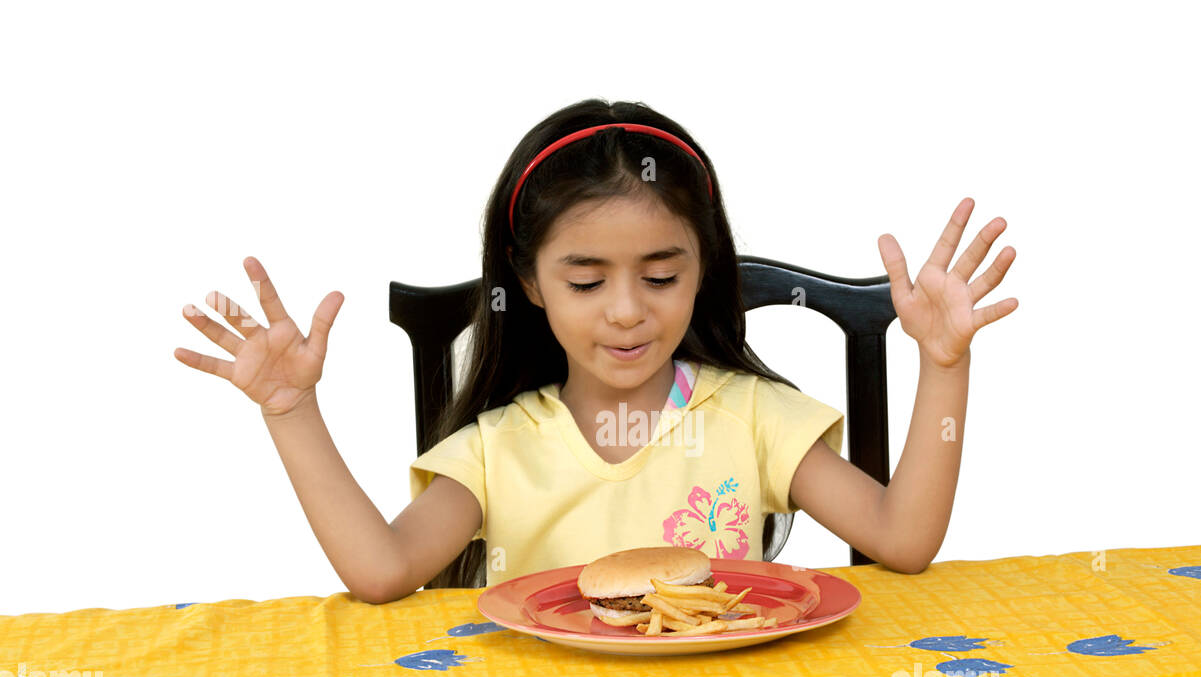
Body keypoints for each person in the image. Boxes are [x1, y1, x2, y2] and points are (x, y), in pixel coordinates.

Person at [173, 98, 1018, 603]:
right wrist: (292, 412)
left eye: (660, 274)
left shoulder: (752, 417)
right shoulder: (502, 447)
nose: (626, 312)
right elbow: (384, 571)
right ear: (530, 282)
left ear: (702, 270)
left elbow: (903, 541)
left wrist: (944, 365)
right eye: (586, 282)